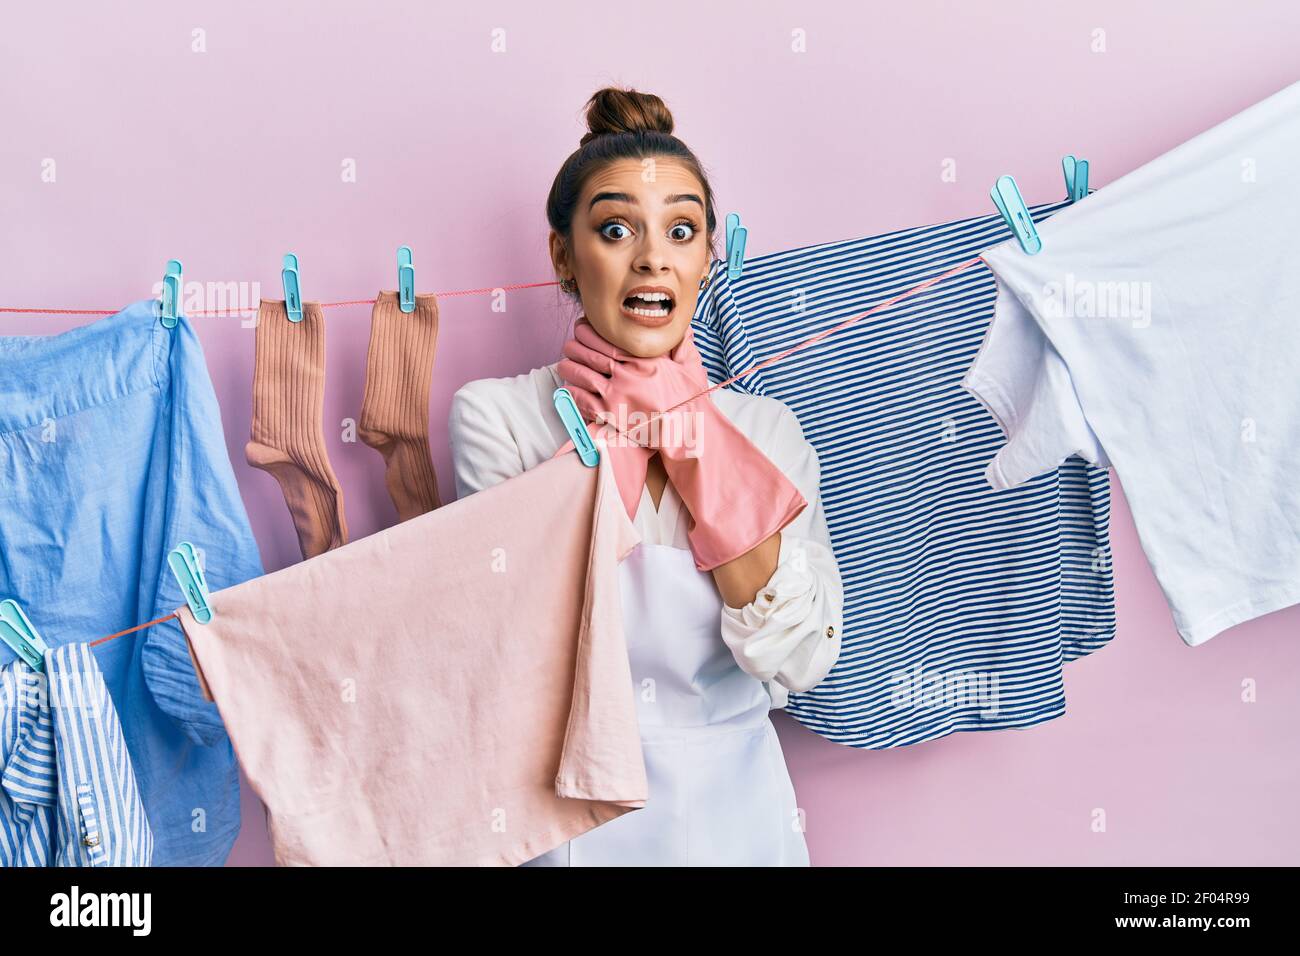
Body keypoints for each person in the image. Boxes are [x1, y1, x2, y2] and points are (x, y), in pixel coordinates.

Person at [448, 86, 843, 866]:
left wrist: (693, 441)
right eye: (616, 228)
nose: (652, 257)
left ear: (707, 257)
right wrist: (622, 434)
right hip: (574, 816)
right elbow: (524, 642)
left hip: (743, 820)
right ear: (563, 255)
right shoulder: (498, 419)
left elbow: (799, 659)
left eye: (682, 230)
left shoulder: (766, 433)